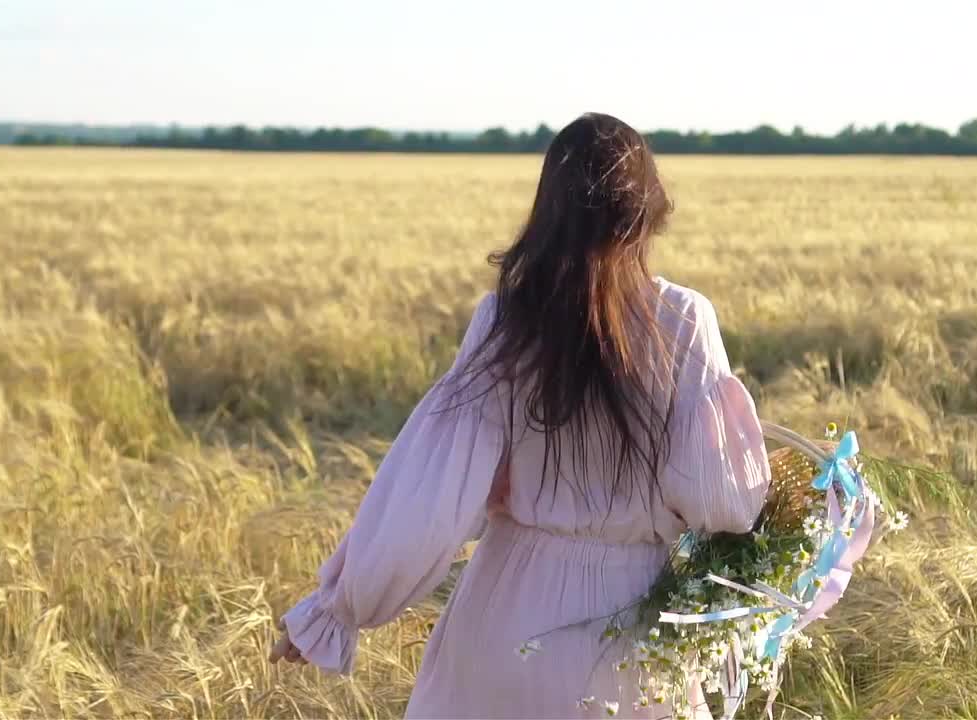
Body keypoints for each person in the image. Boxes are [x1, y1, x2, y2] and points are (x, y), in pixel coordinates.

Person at [269, 112, 771, 719]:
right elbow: (723, 503)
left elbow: (431, 499)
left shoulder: (505, 319)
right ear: (646, 212)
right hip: (629, 631)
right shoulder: (685, 320)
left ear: (549, 211)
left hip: (502, 615)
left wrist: (339, 608)